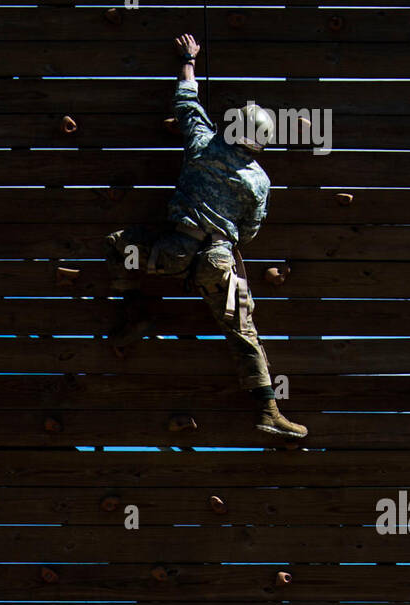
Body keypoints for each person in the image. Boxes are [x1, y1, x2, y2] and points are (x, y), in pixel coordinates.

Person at [105, 33, 308, 440]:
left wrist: (188, 59)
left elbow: (185, 101)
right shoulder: (259, 182)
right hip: (219, 264)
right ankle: (268, 411)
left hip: (172, 250)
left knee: (119, 244)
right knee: (243, 333)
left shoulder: (203, 144)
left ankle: (136, 310)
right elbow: (248, 233)